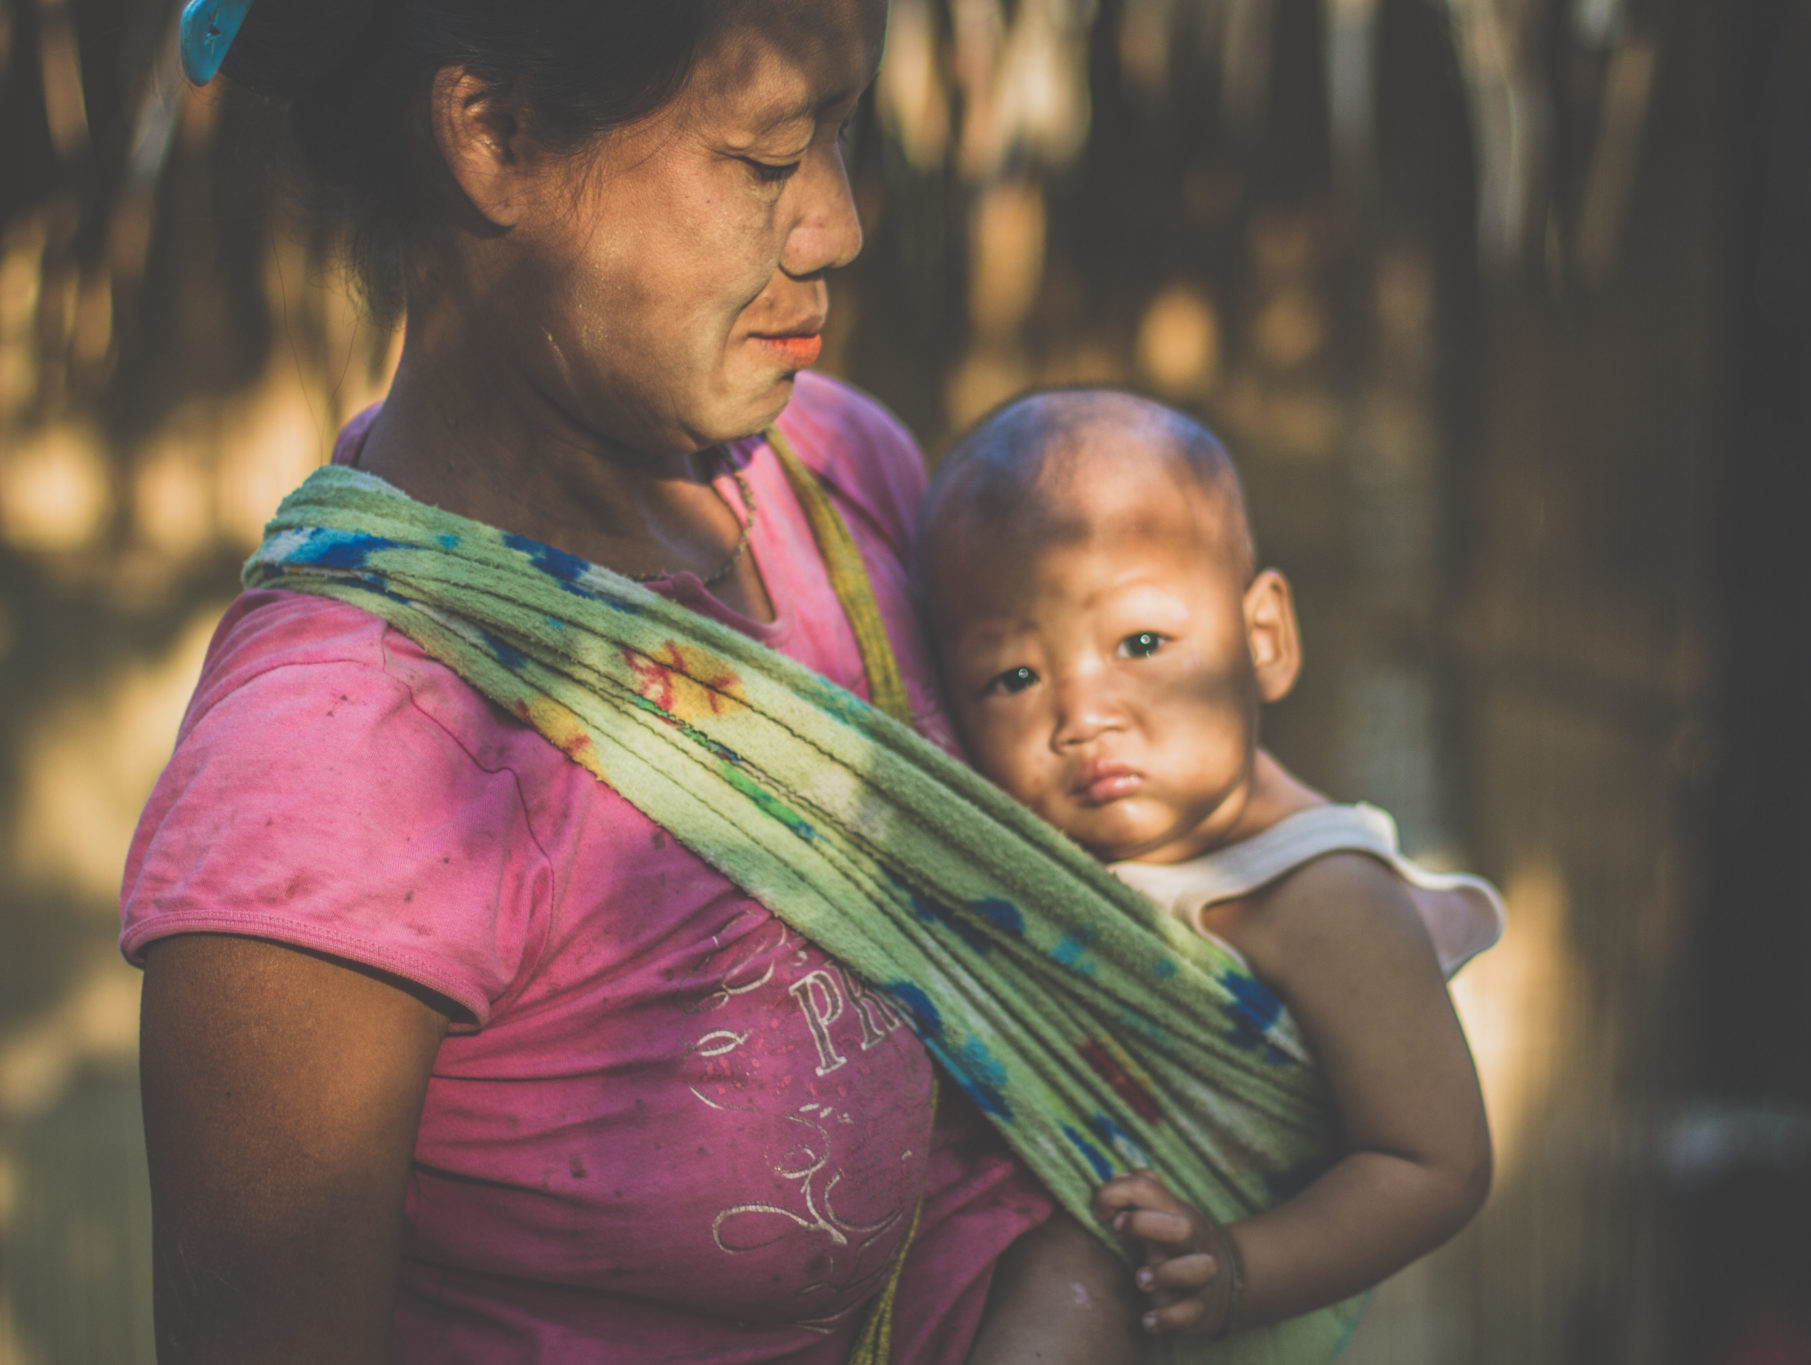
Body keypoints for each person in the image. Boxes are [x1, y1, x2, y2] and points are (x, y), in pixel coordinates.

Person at [124, 3, 1140, 1361]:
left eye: (844, 132)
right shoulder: (333, 787)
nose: (835, 224)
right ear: (494, 134)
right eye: (769, 157)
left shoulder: (835, 484)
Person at [923, 389, 1502, 1341]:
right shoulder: (1040, 858)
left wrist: (1240, 1267)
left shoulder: (1318, 893)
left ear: (1264, 638)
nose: (1082, 716)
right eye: (1014, 676)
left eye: (1140, 643)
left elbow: (1437, 1161)